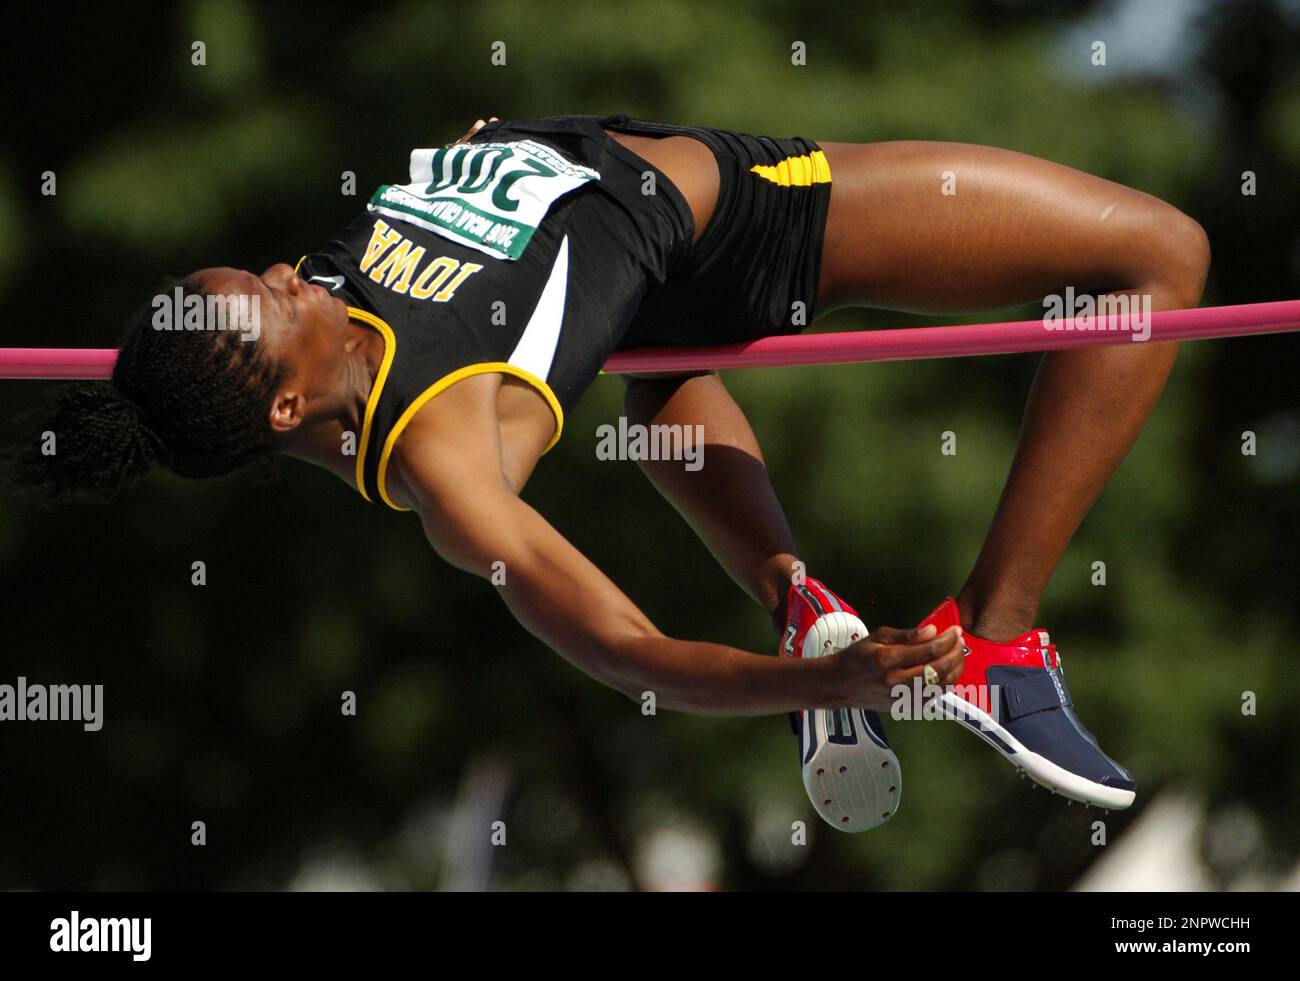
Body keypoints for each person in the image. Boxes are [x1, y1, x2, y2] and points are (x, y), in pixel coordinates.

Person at [5, 113, 1209, 830]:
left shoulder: (319, 304)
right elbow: (627, 652)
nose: (286, 269)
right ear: (283, 402)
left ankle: (802, 602)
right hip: (733, 218)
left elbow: (522, 281)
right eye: (272, 300)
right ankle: (995, 641)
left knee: (650, 374)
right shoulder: (449, 463)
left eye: (257, 268)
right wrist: (819, 698)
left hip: (629, 254)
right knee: (1155, 255)